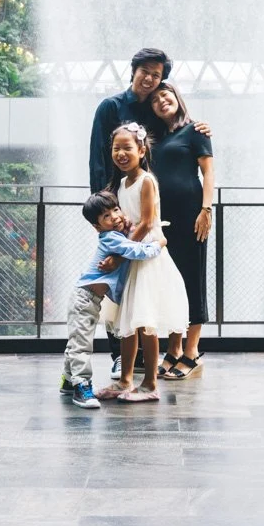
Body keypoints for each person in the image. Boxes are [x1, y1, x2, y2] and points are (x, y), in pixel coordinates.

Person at [98, 123, 189, 402]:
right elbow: (127, 220)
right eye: (116, 148)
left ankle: (150, 384)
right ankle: (125, 380)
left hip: (146, 255)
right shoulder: (122, 183)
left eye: (127, 148)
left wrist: (122, 252)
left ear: (141, 150)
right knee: (128, 320)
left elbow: (148, 221)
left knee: (145, 321)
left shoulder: (146, 180)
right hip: (132, 253)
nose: (121, 153)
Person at [58, 191, 166, 409]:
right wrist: (159, 243)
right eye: (106, 216)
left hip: (88, 299)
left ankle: (69, 380)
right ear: (97, 227)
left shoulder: (117, 235)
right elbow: (136, 251)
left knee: (77, 340)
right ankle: (82, 386)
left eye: (116, 210)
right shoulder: (111, 238)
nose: (114, 216)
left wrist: (129, 227)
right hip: (84, 300)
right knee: (82, 344)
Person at [147, 81, 213, 380]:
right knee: (172, 281)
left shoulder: (196, 131)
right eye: (156, 99)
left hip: (191, 215)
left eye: (166, 94)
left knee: (192, 278)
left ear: (177, 98)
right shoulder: (157, 138)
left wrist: (206, 209)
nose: (162, 100)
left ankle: (191, 352)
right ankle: (173, 350)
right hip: (164, 218)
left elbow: (208, 172)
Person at [87, 48, 169, 192]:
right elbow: (97, 157)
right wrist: (101, 200)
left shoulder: (159, 110)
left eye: (156, 75)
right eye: (144, 71)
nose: (149, 78)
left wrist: (198, 127)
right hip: (115, 193)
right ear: (133, 71)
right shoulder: (110, 107)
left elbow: (178, 131)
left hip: (150, 196)